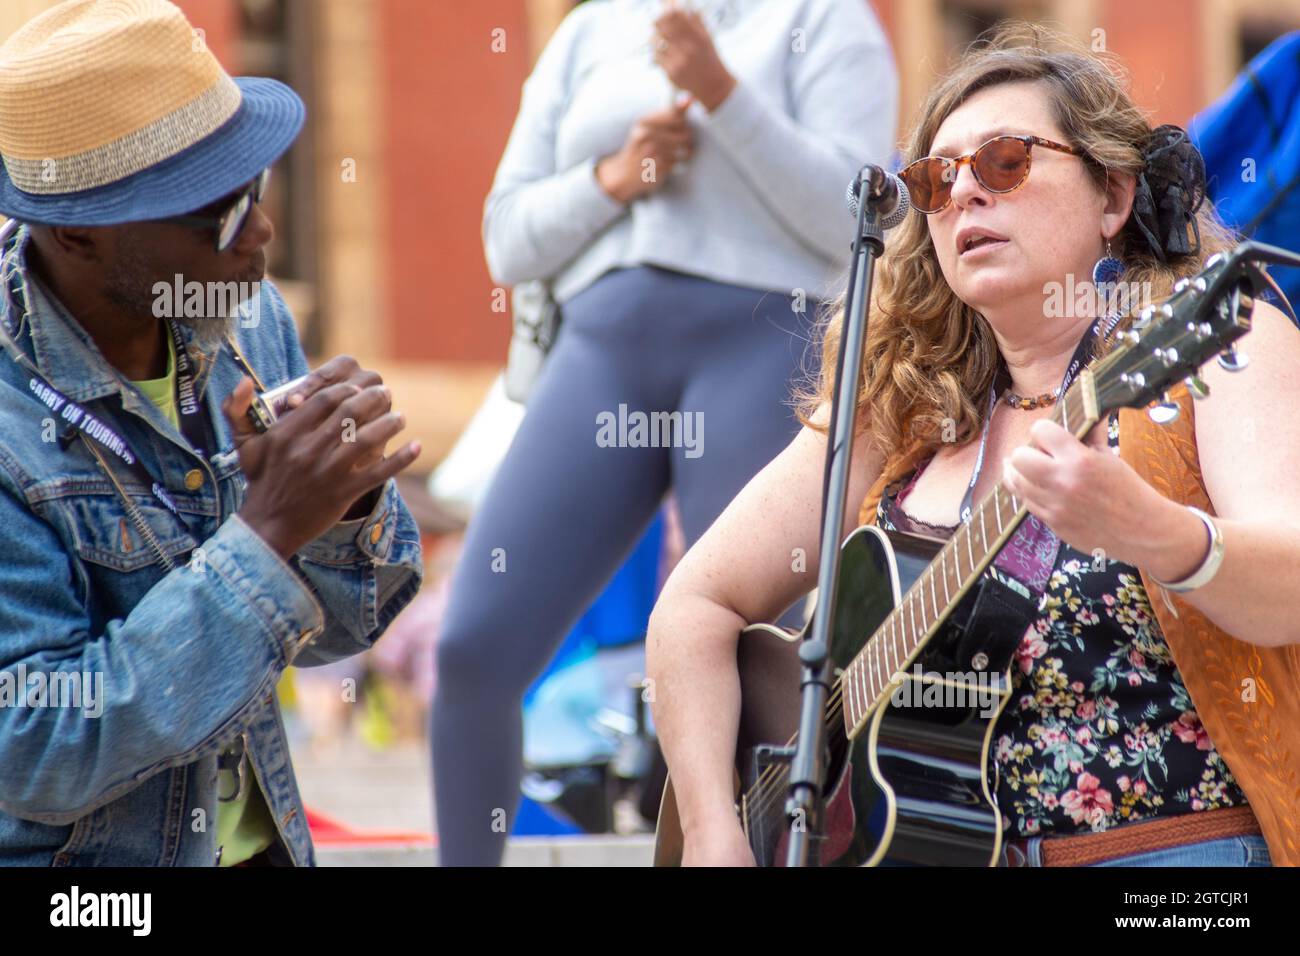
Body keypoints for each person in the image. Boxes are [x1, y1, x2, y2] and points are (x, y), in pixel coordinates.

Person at [647, 23, 1300, 867]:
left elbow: (1291, 586)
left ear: (1113, 198)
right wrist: (710, 828)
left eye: (1004, 161)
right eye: (935, 179)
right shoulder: (902, 406)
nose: (964, 196)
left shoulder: (1217, 346)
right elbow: (693, 610)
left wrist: (1156, 534)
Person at [433, 0, 898, 864]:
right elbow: (506, 239)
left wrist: (723, 92)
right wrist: (612, 177)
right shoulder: (589, 28)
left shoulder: (826, 20)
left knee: (768, 668)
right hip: (600, 350)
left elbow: (858, 220)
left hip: (762, 342)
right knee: (471, 651)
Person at [0, 0, 423, 866]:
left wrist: (344, 504)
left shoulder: (242, 315)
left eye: (257, 189)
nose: (261, 233)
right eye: (218, 213)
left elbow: (349, 632)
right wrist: (266, 536)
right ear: (78, 229)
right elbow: (34, 748)